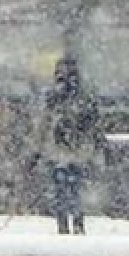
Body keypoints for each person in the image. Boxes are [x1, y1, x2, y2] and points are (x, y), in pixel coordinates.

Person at [42, 55, 100, 234]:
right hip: (65, 152)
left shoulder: (80, 98)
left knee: (69, 189)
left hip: (72, 152)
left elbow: (92, 124)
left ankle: (73, 223)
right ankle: (68, 223)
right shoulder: (56, 97)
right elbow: (45, 123)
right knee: (66, 190)